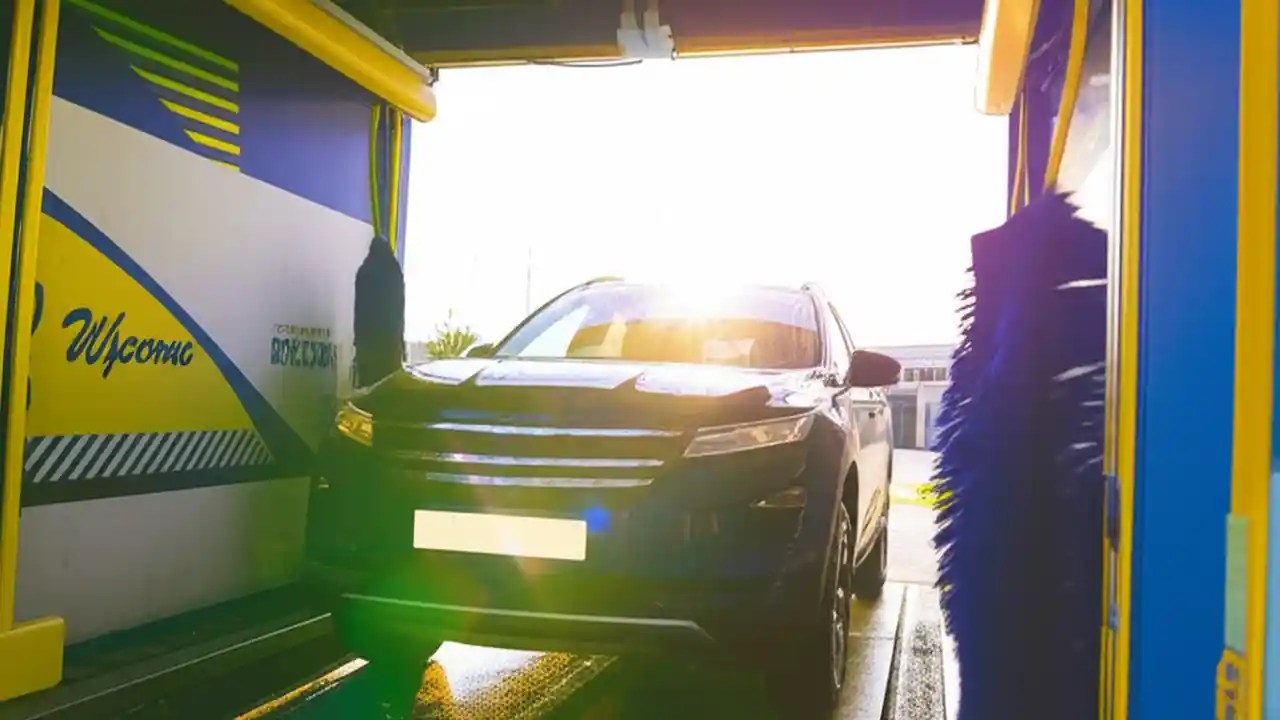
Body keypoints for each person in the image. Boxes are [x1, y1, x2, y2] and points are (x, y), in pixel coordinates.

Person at [353, 235, 405, 387]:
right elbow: (399, 309)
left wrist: (359, 341)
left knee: (368, 387)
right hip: (389, 345)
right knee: (388, 387)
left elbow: (359, 311)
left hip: (368, 345)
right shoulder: (394, 272)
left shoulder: (364, 271)